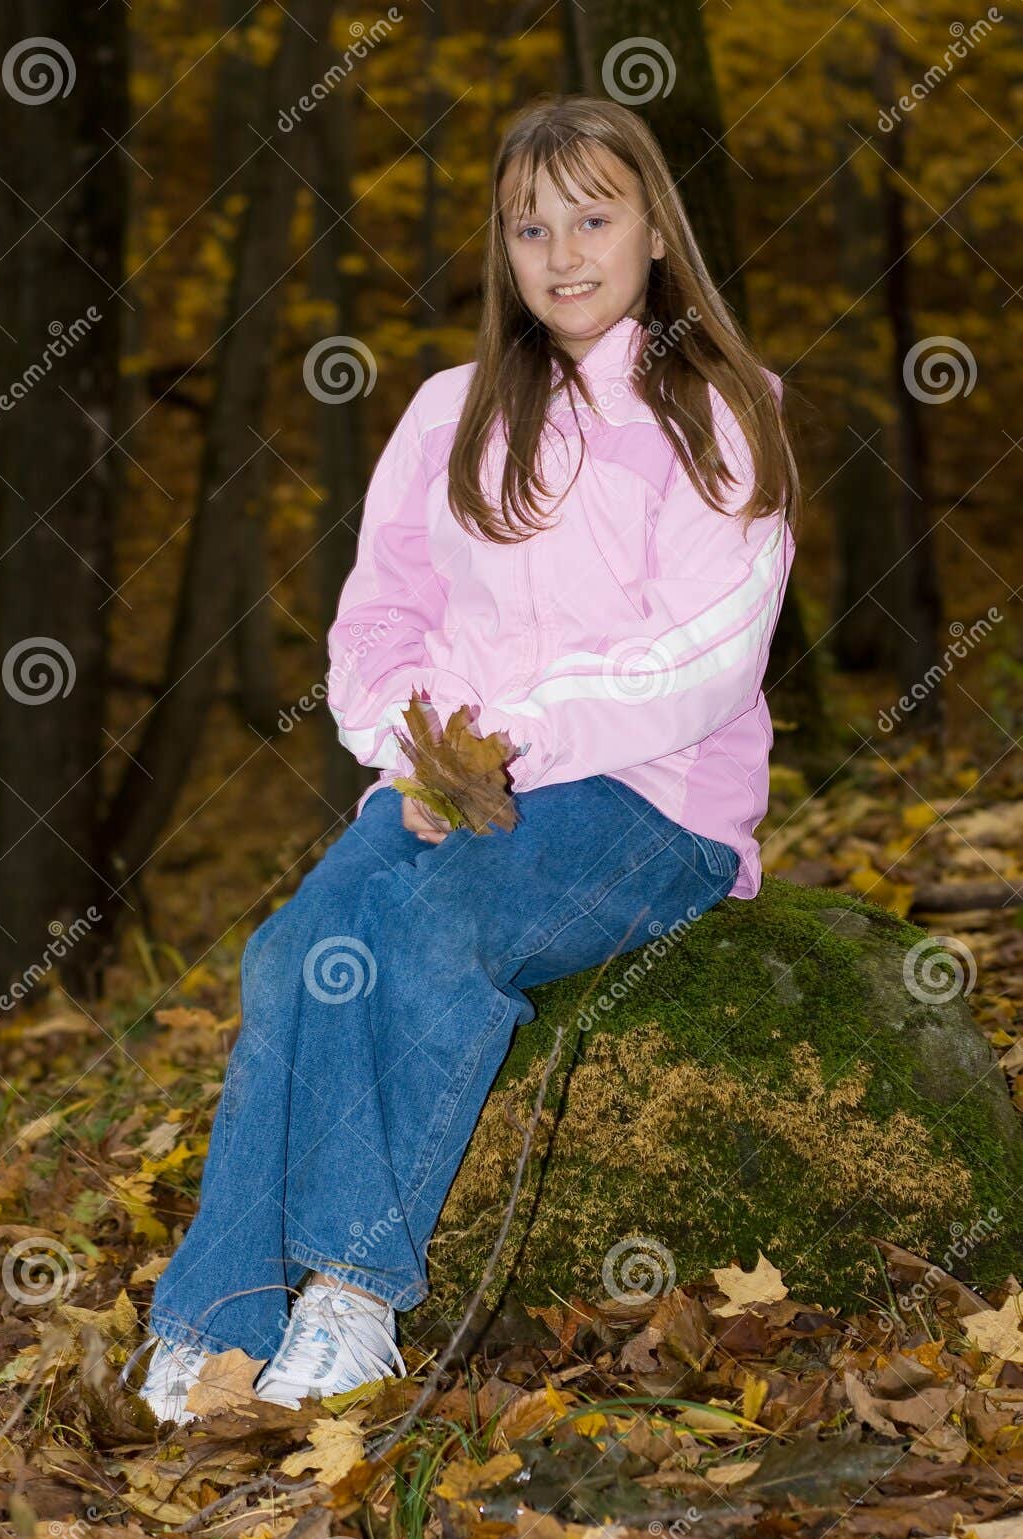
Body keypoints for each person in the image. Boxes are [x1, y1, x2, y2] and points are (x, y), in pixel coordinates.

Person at [125, 93, 800, 1425]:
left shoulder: (723, 408)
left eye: (593, 218)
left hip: (651, 799)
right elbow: (382, 617)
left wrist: (508, 746)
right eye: (530, 227)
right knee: (294, 951)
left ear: (657, 229)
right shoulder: (452, 411)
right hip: (449, 781)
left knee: (428, 927)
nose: (562, 253)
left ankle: (354, 1295)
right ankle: (214, 1320)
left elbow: (709, 650)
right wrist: (421, 748)